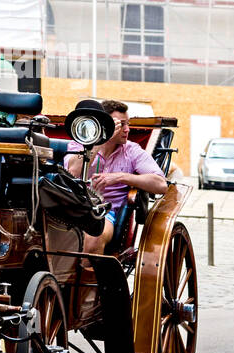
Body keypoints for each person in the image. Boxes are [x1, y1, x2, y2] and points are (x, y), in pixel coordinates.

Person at [64, 99, 167, 254]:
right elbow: (73, 172)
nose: (127, 130)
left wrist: (120, 177)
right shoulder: (80, 144)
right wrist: (99, 139)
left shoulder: (132, 151)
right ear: (105, 124)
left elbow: (161, 185)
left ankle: (88, 275)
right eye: (121, 124)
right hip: (74, 209)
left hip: (106, 214)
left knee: (94, 236)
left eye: (128, 124)